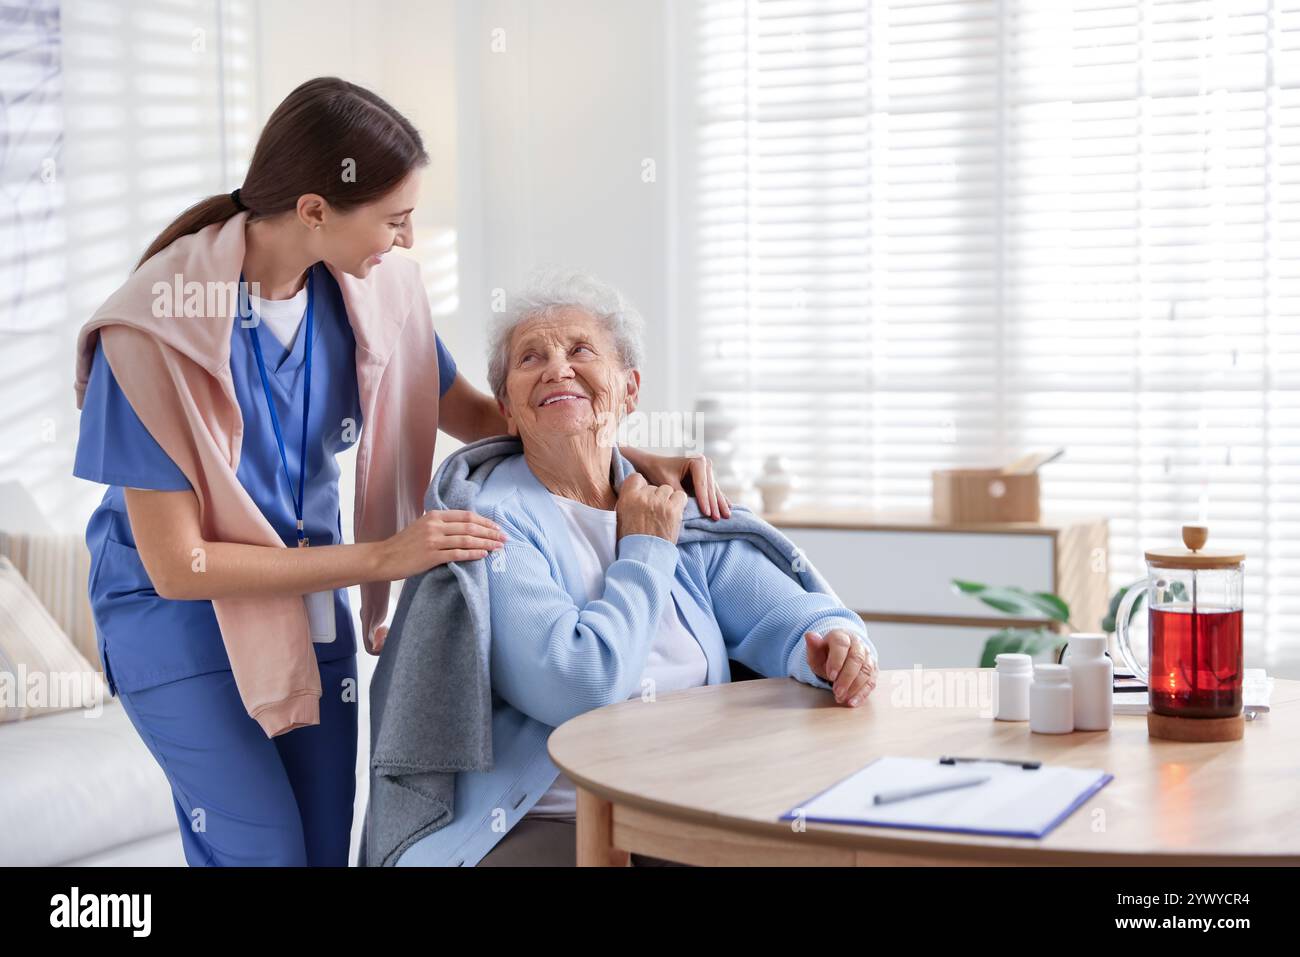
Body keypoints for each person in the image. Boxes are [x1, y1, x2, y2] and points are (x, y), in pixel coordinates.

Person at [71, 78, 727, 867]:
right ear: (315, 210)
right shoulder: (151, 333)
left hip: (308, 596)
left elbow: (483, 415)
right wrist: (387, 555)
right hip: (177, 620)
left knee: (323, 847)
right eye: (394, 218)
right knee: (266, 851)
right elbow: (180, 566)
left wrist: (628, 453)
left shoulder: (368, 296)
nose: (408, 239)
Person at [396, 270, 877, 867]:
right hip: (550, 816)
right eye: (530, 358)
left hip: (694, 800)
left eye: (580, 351)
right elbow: (579, 687)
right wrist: (644, 551)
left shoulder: (670, 505)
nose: (556, 368)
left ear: (629, 390)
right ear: (507, 410)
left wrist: (835, 644)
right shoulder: (491, 525)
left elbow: (789, 615)